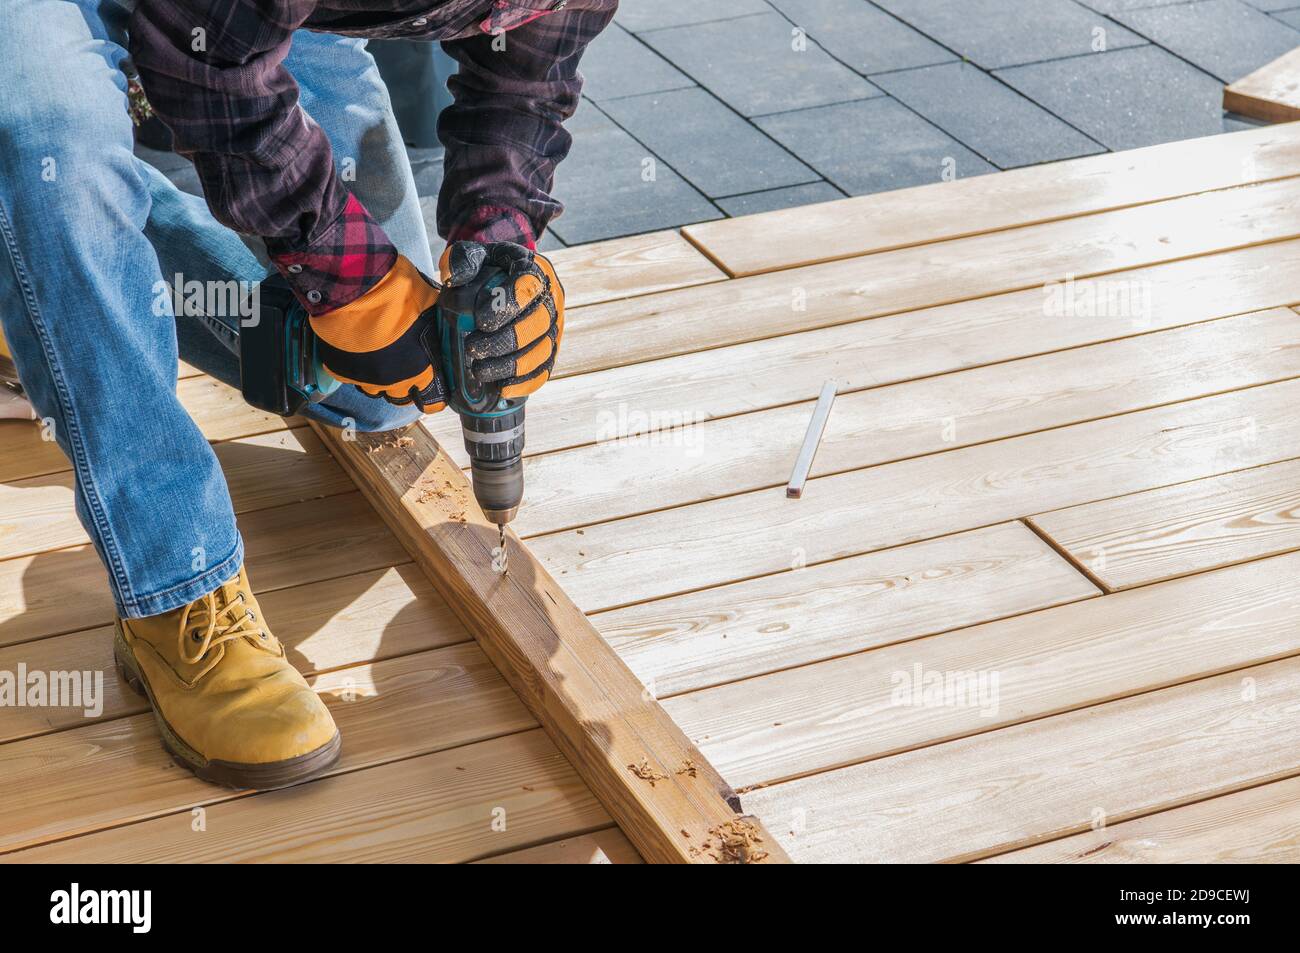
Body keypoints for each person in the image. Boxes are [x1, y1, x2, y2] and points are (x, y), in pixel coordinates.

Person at [0, 0, 612, 789]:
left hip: (241, 19)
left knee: (382, 390)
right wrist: (348, 280)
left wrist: (497, 251)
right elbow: (204, 68)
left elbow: (526, 84)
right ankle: (177, 583)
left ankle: (39, 267)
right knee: (53, 150)